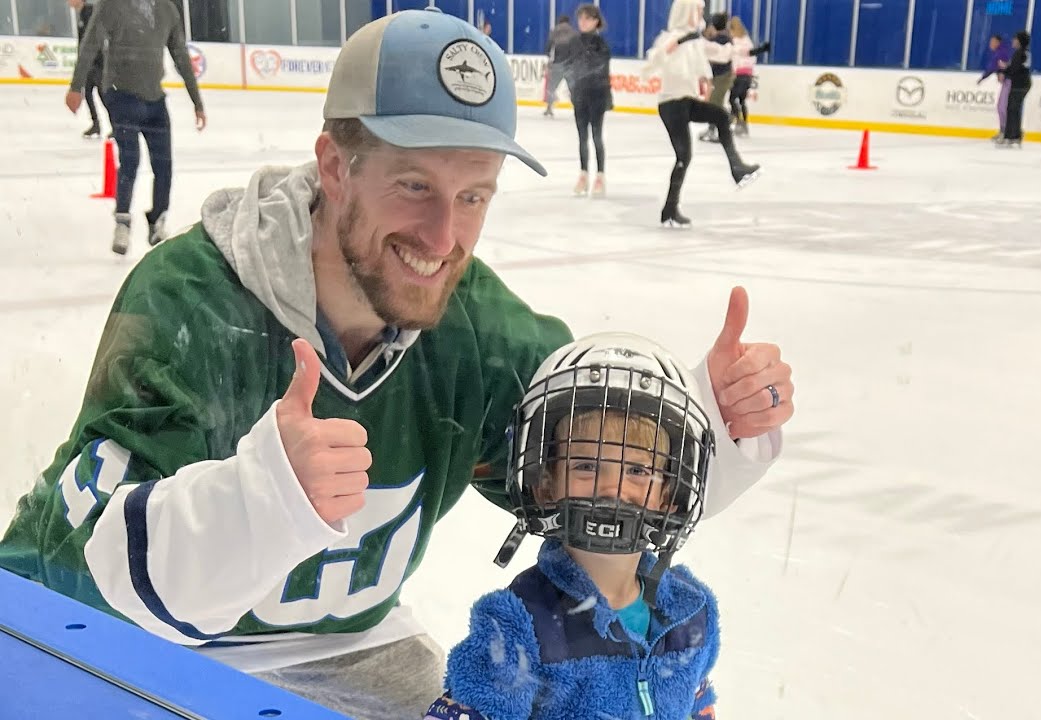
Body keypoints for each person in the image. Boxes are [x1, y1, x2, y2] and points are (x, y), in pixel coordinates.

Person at [0, 10, 793, 720]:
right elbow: (87, 571)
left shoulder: (476, 325)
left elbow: (592, 478)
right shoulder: (193, 299)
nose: (444, 236)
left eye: (474, 197)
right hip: (95, 643)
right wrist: (264, 500)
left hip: (354, 651)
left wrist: (715, 428)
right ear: (337, 167)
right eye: (415, 185)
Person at [424, 332, 721, 720]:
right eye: (586, 465)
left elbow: (696, 702)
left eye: (637, 470)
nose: (612, 488)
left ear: (670, 493)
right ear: (547, 484)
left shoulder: (690, 612)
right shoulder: (521, 626)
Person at [66, 0, 207, 255]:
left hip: (155, 99)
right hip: (122, 96)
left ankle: (157, 219)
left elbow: (181, 56)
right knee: (130, 160)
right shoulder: (112, 5)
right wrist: (76, 86)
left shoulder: (167, 10)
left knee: (164, 165)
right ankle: (122, 221)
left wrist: (197, 101)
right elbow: (90, 44)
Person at [642, 0, 761, 228]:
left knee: (722, 116)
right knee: (683, 157)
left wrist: (707, 78)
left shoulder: (696, 41)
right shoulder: (670, 37)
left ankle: (737, 168)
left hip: (687, 102)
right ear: (685, 12)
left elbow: (722, 53)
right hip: (671, 104)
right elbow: (650, 66)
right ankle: (669, 209)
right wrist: (668, 49)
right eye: (697, 10)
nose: (701, 15)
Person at [563, 4, 612, 197]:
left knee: (596, 136)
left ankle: (600, 176)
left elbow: (601, 70)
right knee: (582, 136)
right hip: (580, 96)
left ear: (596, 21)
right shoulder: (573, 42)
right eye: (581, 18)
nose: (583, 22)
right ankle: (583, 174)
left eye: (588, 18)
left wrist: (582, 78)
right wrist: (572, 86)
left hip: (597, 96)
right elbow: (567, 66)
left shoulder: (601, 45)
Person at [68, 0, 107, 140]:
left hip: (97, 62)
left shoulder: (90, 12)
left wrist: (93, 61)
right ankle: (96, 123)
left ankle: (114, 124)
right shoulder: (82, 13)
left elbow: (94, 40)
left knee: (102, 94)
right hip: (90, 63)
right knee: (89, 94)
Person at [727, 16, 768, 137]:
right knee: (742, 100)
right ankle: (744, 125)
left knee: (732, 99)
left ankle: (739, 123)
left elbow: (734, 57)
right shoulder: (747, 40)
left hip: (739, 74)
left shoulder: (734, 42)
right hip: (748, 74)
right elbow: (752, 57)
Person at [697, 13, 733, 143]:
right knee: (715, 103)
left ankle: (721, 127)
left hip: (723, 75)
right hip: (720, 75)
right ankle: (715, 128)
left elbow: (708, 49)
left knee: (715, 104)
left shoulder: (722, 39)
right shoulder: (721, 38)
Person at [998, 31, 1032, 148]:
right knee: (1015, 109)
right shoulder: (1026, 52)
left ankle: (1010, 136)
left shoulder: (1019, 53)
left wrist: (1004, 68)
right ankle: (1015, 136)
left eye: (1015, 39)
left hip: (1019, 84)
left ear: (1019, 41)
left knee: (1012, 109)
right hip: (1024, 84)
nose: (1013, 41)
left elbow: (1014, 69)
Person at [978, 34, 1012, 141]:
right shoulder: (1000, 52)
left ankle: (1006, 132)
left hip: (1009, 82)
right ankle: (1003, 131)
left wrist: (1001, 73)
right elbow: (995, 66)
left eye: (992, 42)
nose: (990, 44)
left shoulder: (1002, 53)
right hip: (1007, 82)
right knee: (1001, 107)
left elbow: (998, 66)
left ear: (998, 42)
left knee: (1002, 107)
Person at [543, 15, 577, 118]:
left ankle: (549, 108)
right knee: (573, 89)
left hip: (557, 64)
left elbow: (548, 46)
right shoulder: (573, 32)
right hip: (569, 65)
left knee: (551, 87)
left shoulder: (555, 31)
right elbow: (577, 48)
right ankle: (578, 109)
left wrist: (549, 56)